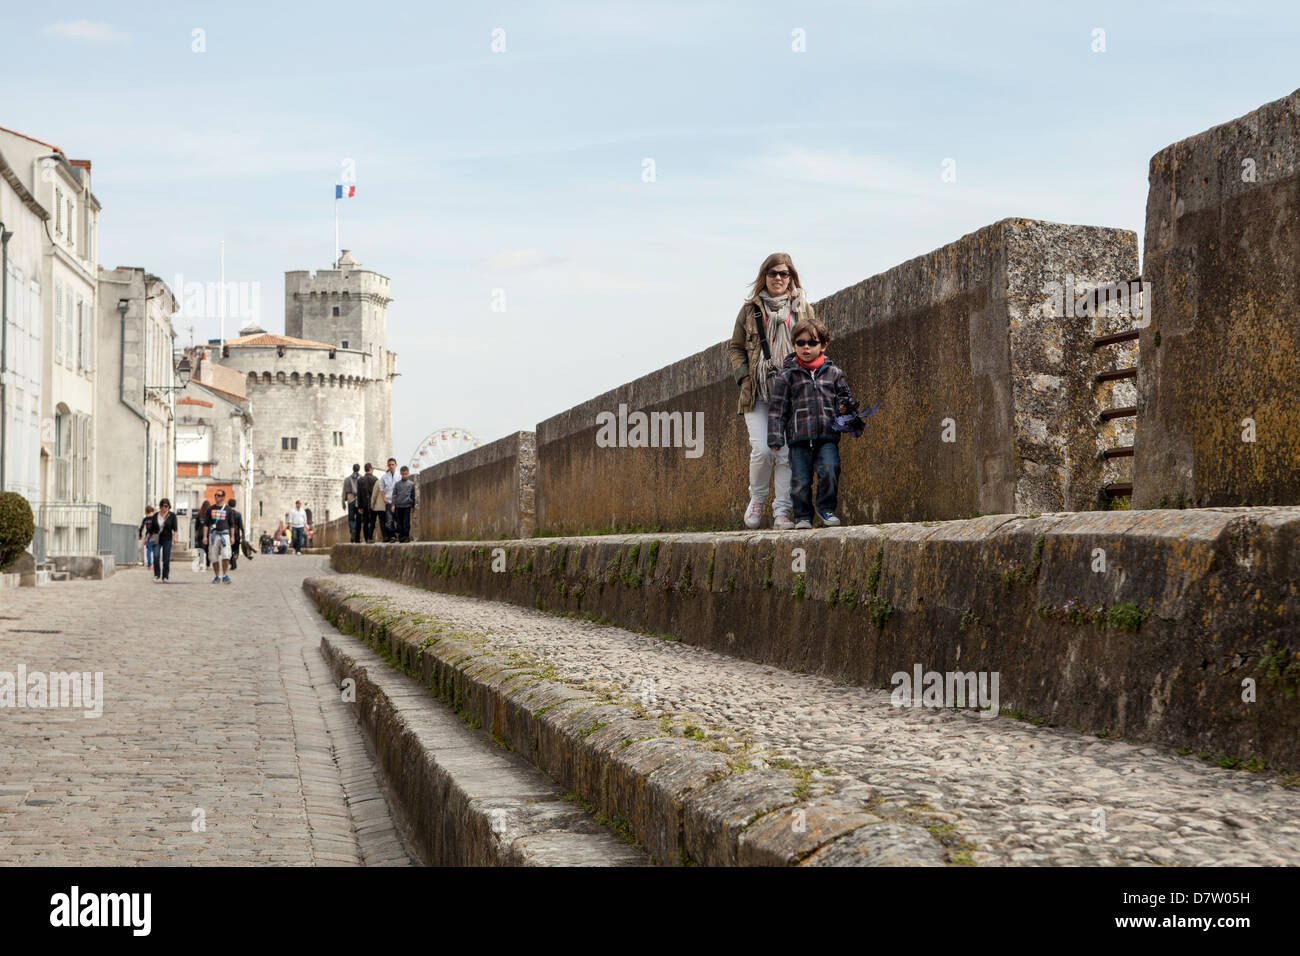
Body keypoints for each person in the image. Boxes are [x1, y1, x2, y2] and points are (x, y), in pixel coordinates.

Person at [727, 252, 815, 531]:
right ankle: (758, 498)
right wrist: (744, 378)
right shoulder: (750, 310)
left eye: (784, 273)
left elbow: (815, 341)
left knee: (786, 453)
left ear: (791, 278)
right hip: (758, 392)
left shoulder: (801, 308)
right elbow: (735, 347)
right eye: (773, 273)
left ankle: (782, 512)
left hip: (791, 391)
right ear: (764, 276)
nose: (778, 278)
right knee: (764, 450)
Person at [767, 317, 858, 530]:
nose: (806, 347)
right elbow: (777, 409)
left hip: (827, 435)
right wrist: (775, 436)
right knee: (799, 481)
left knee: (830, 469)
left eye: (812, 343)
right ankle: (803, 517)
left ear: (823, 345)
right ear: (794, 345)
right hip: (799, 438)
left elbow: (846, 397)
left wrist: (846, 407)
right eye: (800, 343)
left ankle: (826, 509)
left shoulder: (834, 373)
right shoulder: (787, 376)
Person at [203, 489, 235, 584]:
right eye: (216, 495)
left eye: (219, 495)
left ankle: (225, 575)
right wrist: (205, 537)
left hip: (225, 534)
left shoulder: (228, 509)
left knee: (226, 555)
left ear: (223, 497)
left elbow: (232, 524)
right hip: (213, 535)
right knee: (214, 556)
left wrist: (232, 536)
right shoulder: (210, 509)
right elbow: (206, 524)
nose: (217, 497)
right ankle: (217, 575)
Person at [153, 499, 178, 582]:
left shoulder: (172, 516)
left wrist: (175, 537)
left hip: (167, 539)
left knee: (166, 558)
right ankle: (157, 575)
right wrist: (146, 538)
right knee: (156, 556)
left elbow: (175, 528)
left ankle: (165, 576)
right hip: (157, 539)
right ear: (160, 506)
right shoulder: (156, 515)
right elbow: (151, 528)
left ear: (168, 507)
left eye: (166, 506)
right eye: (162, 506)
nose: (164, 508)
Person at [392, 466, 417, 542]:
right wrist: (393, 505)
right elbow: (394, 495)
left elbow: (413, 496)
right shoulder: (397, 484)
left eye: (406, 474)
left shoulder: (411, 484)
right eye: (403, 474)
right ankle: (401, 537)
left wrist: (412, 506)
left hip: (407, 506)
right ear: (400, 474)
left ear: (408, 473)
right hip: (398, 506)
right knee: (399, 523)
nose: (404, 475)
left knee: (406, 522)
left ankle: (406, 537)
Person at [357, 463, 379, 543]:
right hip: (373, 503)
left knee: (365, 522)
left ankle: (366, 538)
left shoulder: (360, 480)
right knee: (373, 520)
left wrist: (359, 507)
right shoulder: (375, 479)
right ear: (371, 469)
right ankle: (370, 537)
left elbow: (359, 494)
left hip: (364, 504)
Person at [379, 458, 399, 542]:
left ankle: (400, 534)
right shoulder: (384, 477)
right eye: (389, 465)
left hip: (398, 502)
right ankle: (392, 536)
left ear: (396, 465)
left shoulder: (400, 476)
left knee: (399, 520)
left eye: (392, 464)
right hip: (389, 501)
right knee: (389, 521)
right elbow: (381, 489)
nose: (391, 466)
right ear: (388, 466)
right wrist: (384, 499)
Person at [343, 463, 362, 543]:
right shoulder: (362, 478)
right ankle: (357, 536)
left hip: (350, 499)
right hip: (359, 500)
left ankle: (352, 530)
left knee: (351, 519)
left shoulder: (347, 479)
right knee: (358, 519)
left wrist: (343, 502)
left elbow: (344, 492)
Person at [227, 498, 246, 570]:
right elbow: (241, 525)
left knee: (229, 549)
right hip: (236, 534)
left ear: (228, 504)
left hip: (228, 534)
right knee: (236, 549)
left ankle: (231, 560)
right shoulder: (238, 514)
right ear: (235, 505)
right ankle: (234, 557)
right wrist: (243, 534)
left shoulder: (227, 514)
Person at [138, 505, 158, 569]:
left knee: (149, 551)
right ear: (152, 511)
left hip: (148, 536)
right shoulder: (155, 518)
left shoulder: (145, 519)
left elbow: (141, 528)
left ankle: (149, 564)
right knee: (155, 550)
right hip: (155, 535)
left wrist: (140, 535)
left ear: (146, 512)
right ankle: (155, 564)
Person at [194, 500, 211, 571]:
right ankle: (208, 564)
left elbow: (196, 527)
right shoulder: (210, 515)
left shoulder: (199, 515)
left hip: (200, 534)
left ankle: (201, 563)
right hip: (208, 534)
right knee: (208, 550)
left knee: (201, 550)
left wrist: (196, 535)